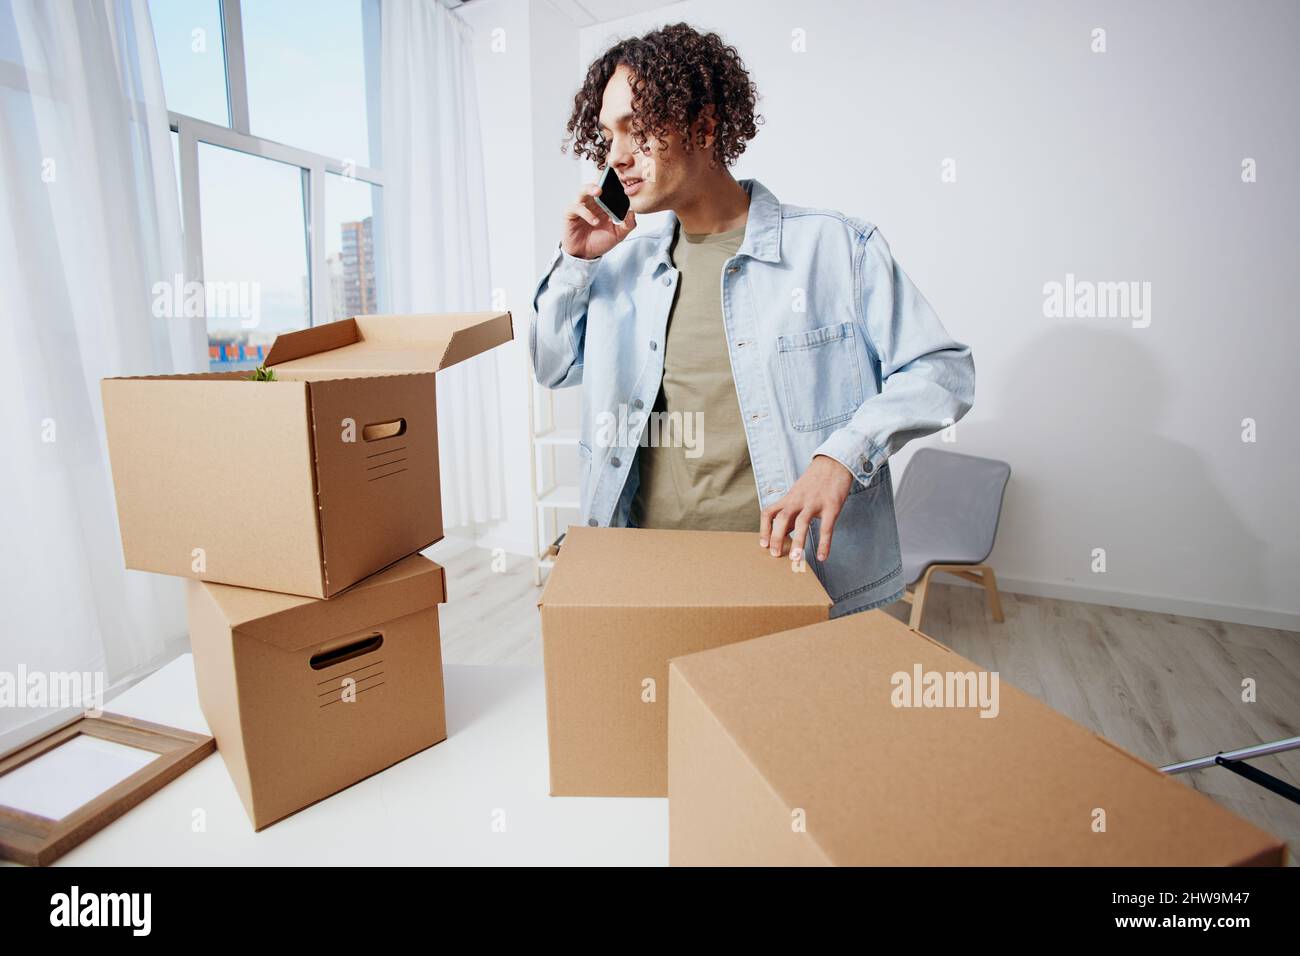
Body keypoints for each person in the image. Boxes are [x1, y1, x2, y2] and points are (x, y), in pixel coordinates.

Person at [530, 22, 975, 617]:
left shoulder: (836, 250)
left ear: (704, 127)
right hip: (651, 566)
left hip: (795, 573)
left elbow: (942, 370)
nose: (616, 157)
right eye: (608, 135)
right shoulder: (619, 265)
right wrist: (574, 264)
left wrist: (841, 456)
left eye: (637, 130)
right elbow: (553, 366)